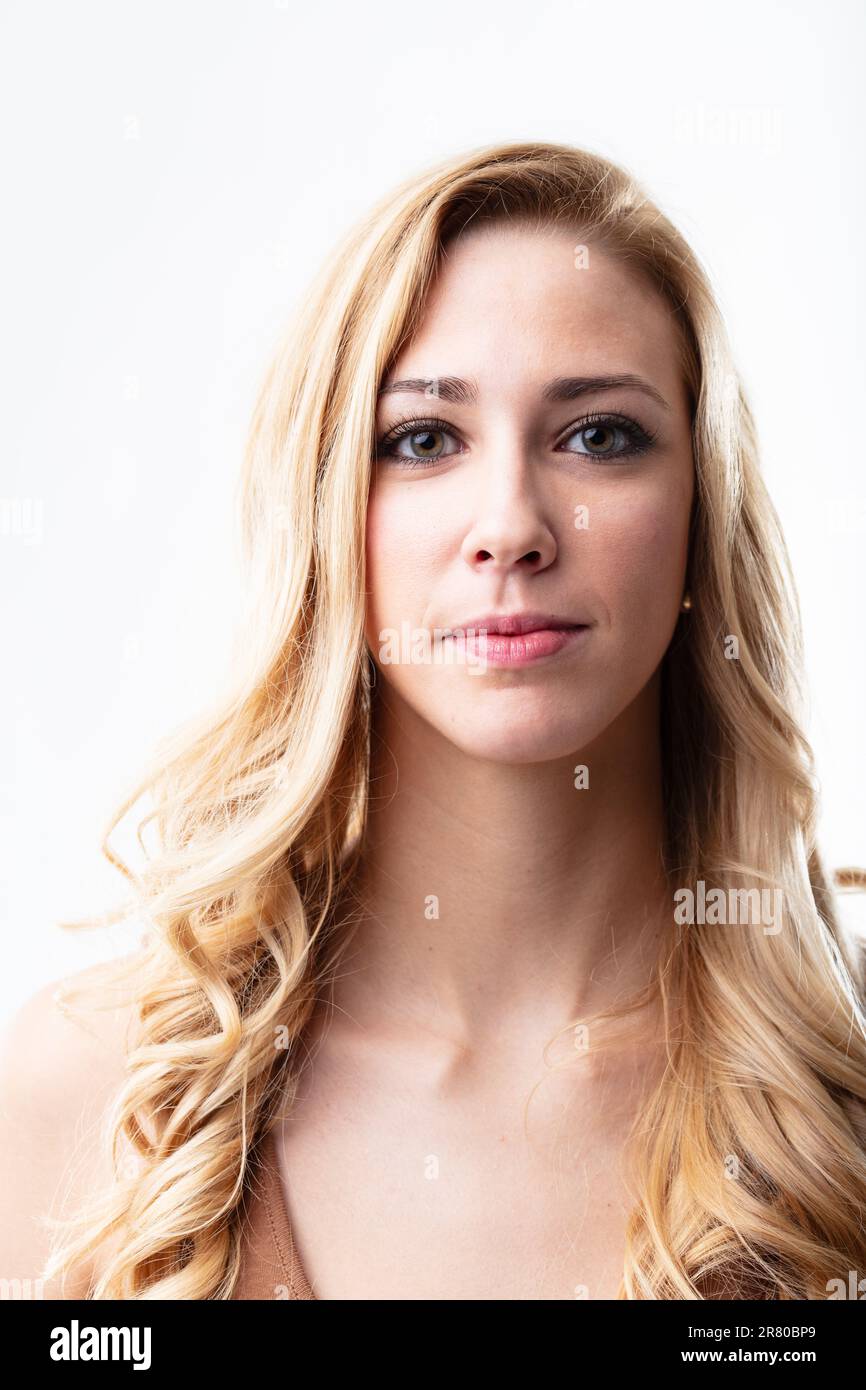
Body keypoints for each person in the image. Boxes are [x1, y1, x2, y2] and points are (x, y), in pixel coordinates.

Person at [3, 141, 865, 1300]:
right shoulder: (82, 1099)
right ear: (329, 520)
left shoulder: (839, 1088)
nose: (509, 524)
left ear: (699, 515)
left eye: (598, 434)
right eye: (422, 439)